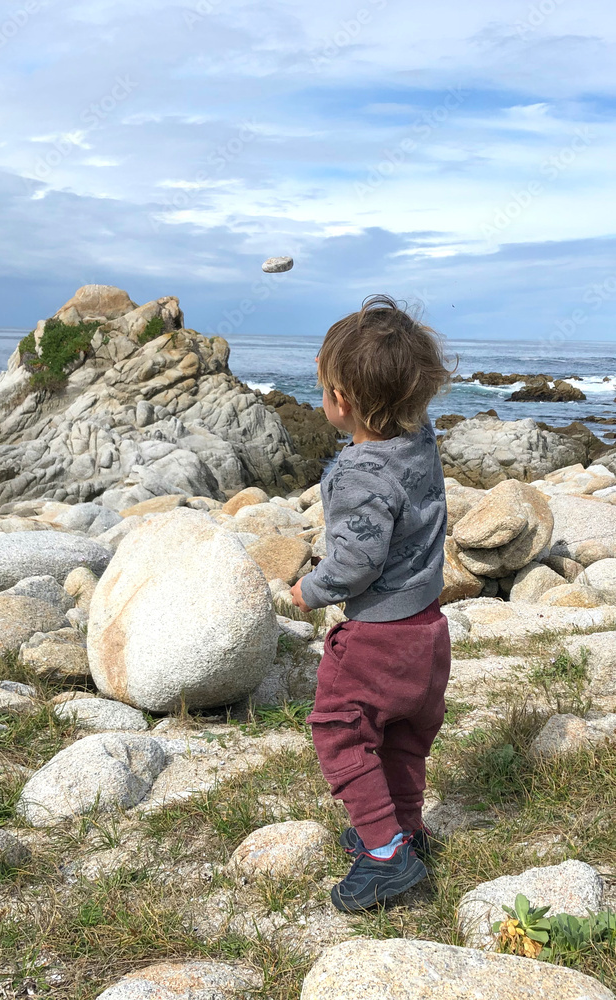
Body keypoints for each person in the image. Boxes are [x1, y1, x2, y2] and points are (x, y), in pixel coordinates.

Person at [289, 294, 455, 913]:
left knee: (340, 732)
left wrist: (309, 590)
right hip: (428, 634)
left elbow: (356, 564)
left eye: (326, 384)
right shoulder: (420, 439)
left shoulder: (362, 471)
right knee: (404, 741)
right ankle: (405, 829)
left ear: (342, 402)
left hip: (378, 640)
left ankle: (384, 854)